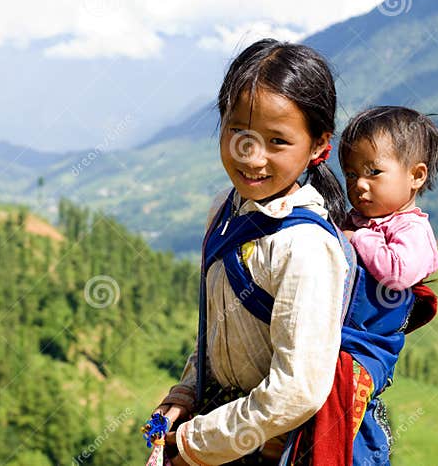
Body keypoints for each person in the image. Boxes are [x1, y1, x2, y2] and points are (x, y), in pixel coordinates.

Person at [150, 38, 350, 465]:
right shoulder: (225, 211)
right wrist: (187, 390)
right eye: (239, 131)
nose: (251, 156)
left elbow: (297, 391)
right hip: (224, 428)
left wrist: (193, 444)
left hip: (267, 448)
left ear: (318, 146)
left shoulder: (305, 247)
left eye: (277, 141)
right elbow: (221, 329)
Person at [338, 106, 438, 292]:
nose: (360, 184)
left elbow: (397, 276)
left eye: (374, 172)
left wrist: (358, 237)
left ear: (416, 176)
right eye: (351, 174)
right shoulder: (356, 218)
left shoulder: (412, 230)